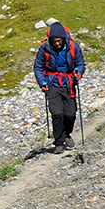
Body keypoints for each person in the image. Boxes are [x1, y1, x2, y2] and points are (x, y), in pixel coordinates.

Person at [34, 22, 85, 152]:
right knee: (57, 113)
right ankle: (59, 143)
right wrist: (42, 83)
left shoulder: (73, 47)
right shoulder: (44, 49)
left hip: (68, 83)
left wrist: (79, 72)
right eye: (55, 41)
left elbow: (80, 63)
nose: (57, 43)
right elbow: (38, 67)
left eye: (59, 41)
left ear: (63, 38)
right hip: (52, 83)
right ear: (50, 39)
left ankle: (67, 134)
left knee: (70, 114)